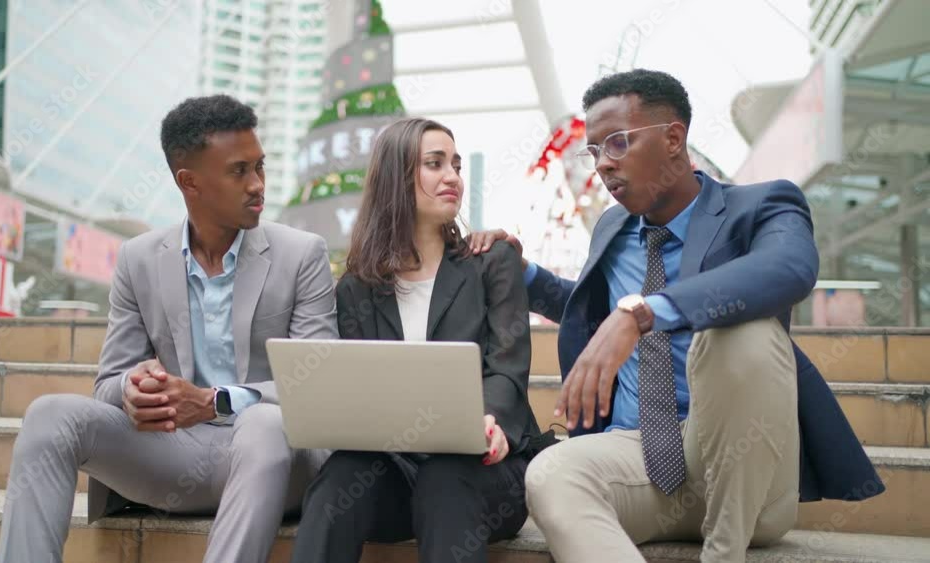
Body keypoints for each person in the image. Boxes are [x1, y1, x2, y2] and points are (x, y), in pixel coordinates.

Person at [470, 69, 883, 563]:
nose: (603, 164)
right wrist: (524, 273)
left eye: (617, 143)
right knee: (549, 473)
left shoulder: (761, 205)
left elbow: (788, 269)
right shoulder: (612, 228)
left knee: (740, 330)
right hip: (637, 459)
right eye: (594, 150)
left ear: (673, 138)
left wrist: (647, 313)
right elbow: (593, 313)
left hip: (746, 469)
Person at [0, 95, 337, 563]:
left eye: (260, 166)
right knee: (50, 413)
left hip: (278, 462)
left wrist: (212, 399)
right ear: (189, 182)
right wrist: (134, 391)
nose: (258, 185)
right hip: (175, 457)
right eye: (239, 171)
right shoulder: (139, 259)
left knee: (263, 422)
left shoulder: (302, 254)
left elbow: (319, 385)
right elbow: (108, 387)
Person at [289, 117, 542, 563]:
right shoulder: (356, 289)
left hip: (484, 476)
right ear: (396, 177)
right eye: (435, 163)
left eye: (457, 165)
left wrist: (491, 420)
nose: (453, 177)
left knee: (444, 479)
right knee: (340, 478)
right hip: (395, 476)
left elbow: (508, 366)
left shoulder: (491, 264)